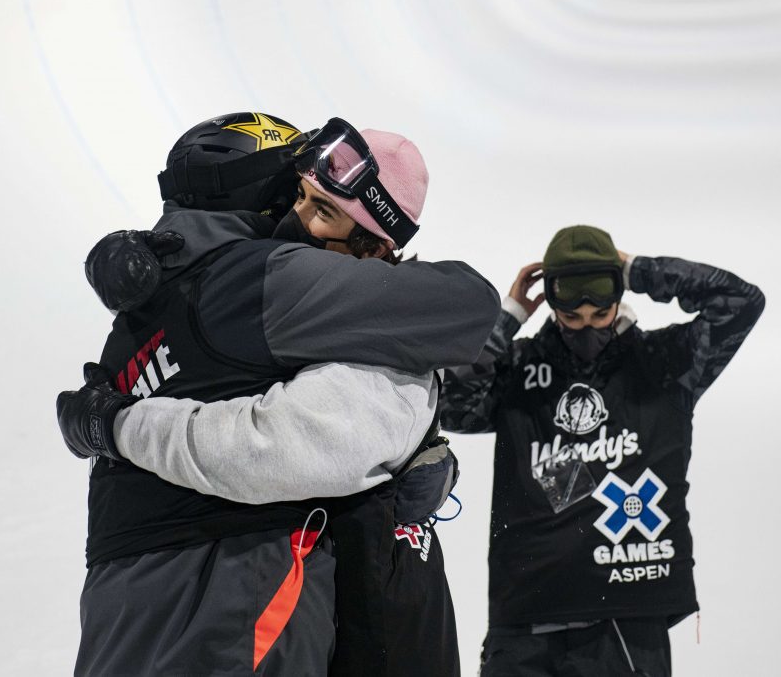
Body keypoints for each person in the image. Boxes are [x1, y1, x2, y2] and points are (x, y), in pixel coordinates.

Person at [58, 113, 500, 676]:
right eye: (300, 196)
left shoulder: (219, 290)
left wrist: (116, 426)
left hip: (183, 599)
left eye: (324, 211)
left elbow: (264, 446)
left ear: (373, 247)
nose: (298, 220)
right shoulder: (244, 282)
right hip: (206, 593)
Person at [437, 225, 765, 676]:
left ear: (617, 298)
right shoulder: (517, 370)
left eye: (599, 314)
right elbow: (450, 404)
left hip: (627, 615)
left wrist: (640, 270)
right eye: (573, 318)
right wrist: (509, 314)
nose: (587, 327)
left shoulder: (665, 365)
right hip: (524, 616)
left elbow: (742, 302)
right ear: (552, 306)